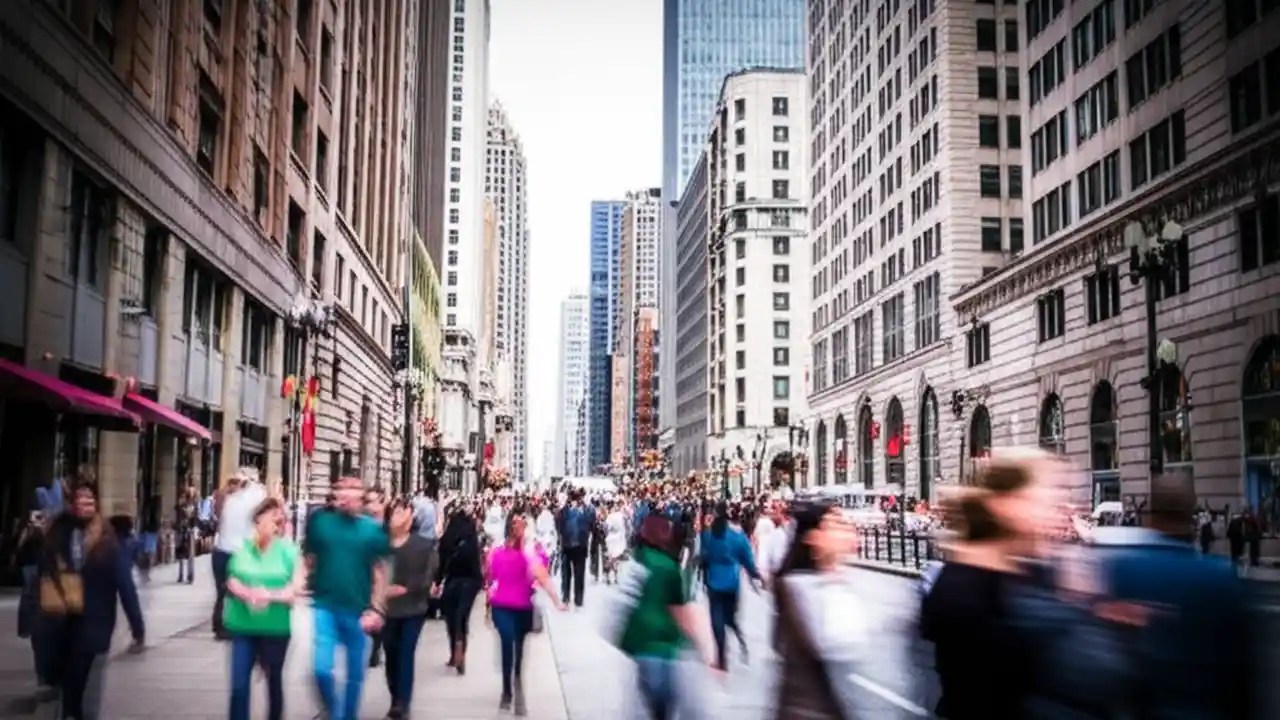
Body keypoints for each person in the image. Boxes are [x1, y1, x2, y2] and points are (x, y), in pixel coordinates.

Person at [39, 482, 145, 720]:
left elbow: (125, 585)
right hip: (62, 620)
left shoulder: (108, 540)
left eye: (89, 500)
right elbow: (42, 575)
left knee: (88, 685)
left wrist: (137, 626)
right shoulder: (59, 532)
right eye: (79, 500)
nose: (84, 505)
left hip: (95, 621)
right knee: (69, 681)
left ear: (96, 504)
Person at [303, 476, 391, 720]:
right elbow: (308, 558)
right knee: (321, 669)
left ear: (362, 497)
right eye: (343, 490)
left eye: (353, 490)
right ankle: (335, 710)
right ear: (335, 495)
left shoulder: (371, 530)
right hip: (325, 606)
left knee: (355, 675)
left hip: (358, 611)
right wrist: (297, 582)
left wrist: (377, 608)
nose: (348, 495)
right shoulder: (320, 523)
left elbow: (381, 570)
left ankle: (347, 715)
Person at [772, 499, 864, 719]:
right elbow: (837, 646)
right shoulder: (801, 588)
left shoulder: (822, 584)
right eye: (835, 524)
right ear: (813, 537)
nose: (846, 530)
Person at [619, 513, 716, 720]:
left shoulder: (636, 560)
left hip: (638, 647)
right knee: (664, 709)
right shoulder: (667, 567)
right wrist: (700, 646)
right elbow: (680, 612)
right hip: (662, 650)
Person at [224, 498, 303, 720]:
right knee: (239, 684)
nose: (275, 522)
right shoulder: (243, 549)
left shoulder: (289, 551)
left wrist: (268, 595)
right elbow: (232, 580)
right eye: (271, 517)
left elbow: (295, 588)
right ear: (257, 521)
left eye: (279, 518)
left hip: (275, 628)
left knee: (273, 681)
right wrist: (247, 594)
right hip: (243, 626)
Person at [486, 512, 566, 715]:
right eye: (514, 524)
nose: (518, 528)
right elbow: (490, 575)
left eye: (522, 524)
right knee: (507, 644)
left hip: (522, 607)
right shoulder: (498, 550)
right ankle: (507, 690)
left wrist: (556, 600)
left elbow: (542, 575)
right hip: (502, 605)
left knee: (518, 649)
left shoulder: (531, 551)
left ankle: (516, 681)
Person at [381, 497, 433, 719]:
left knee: (406, 651)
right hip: (387, 609)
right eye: (397, 512)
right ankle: (396, 695)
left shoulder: (423, 544)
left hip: (413, 608)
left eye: (406, 512)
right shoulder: (381, 546)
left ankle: (402, 702)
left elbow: (429, 574)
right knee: (391, 653)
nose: (401, 516)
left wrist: (408, 588)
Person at [699, 503, 762, 670]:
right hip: (732, 583)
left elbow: (703, 557)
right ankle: (740, 640)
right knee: (730, 618)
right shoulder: (738, 538)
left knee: (717, 619)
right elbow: (748, 561)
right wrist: (755, 575)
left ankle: (721, 658)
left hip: (713, 582)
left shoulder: (707, 536)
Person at [214, 472, 266, 641]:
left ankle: (222, 626)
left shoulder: (231, 497)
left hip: (224, 550)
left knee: (225, 592)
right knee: (234, 591)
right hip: (235, 551)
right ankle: (231, 624)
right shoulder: (252, 495)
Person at [435, 506, 483, 675]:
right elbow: (476, 563)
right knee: (463, 618)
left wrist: (437, 581)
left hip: (452, 581)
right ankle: (460, 644)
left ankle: (453, 652)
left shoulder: (447, 538)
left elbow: (441, 563)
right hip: (471, 582)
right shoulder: (471, 538)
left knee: (451, 617)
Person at [557, 489, 595, 607]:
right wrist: (562, 507)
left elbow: (592, 523)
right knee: (566, 574)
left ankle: (578, 599)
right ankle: (566, 597)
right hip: (567, 547)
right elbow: (558, 525)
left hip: (580, 547)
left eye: (577, 499)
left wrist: (588, 506)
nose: (575, 501)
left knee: (579, 575)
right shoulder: (564, 511)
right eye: (573, 499)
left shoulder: (585, 511)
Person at [603, 501, 629, 583]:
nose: (614, 509)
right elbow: (606, 528)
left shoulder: (619, 515)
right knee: (611, 558)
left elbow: (625, 524)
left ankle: (614, 576)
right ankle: (609, 575)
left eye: (615, 507)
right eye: (613, 508)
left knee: (615, 558)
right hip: (611, 540)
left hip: (617, 539)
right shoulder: (609, 517)